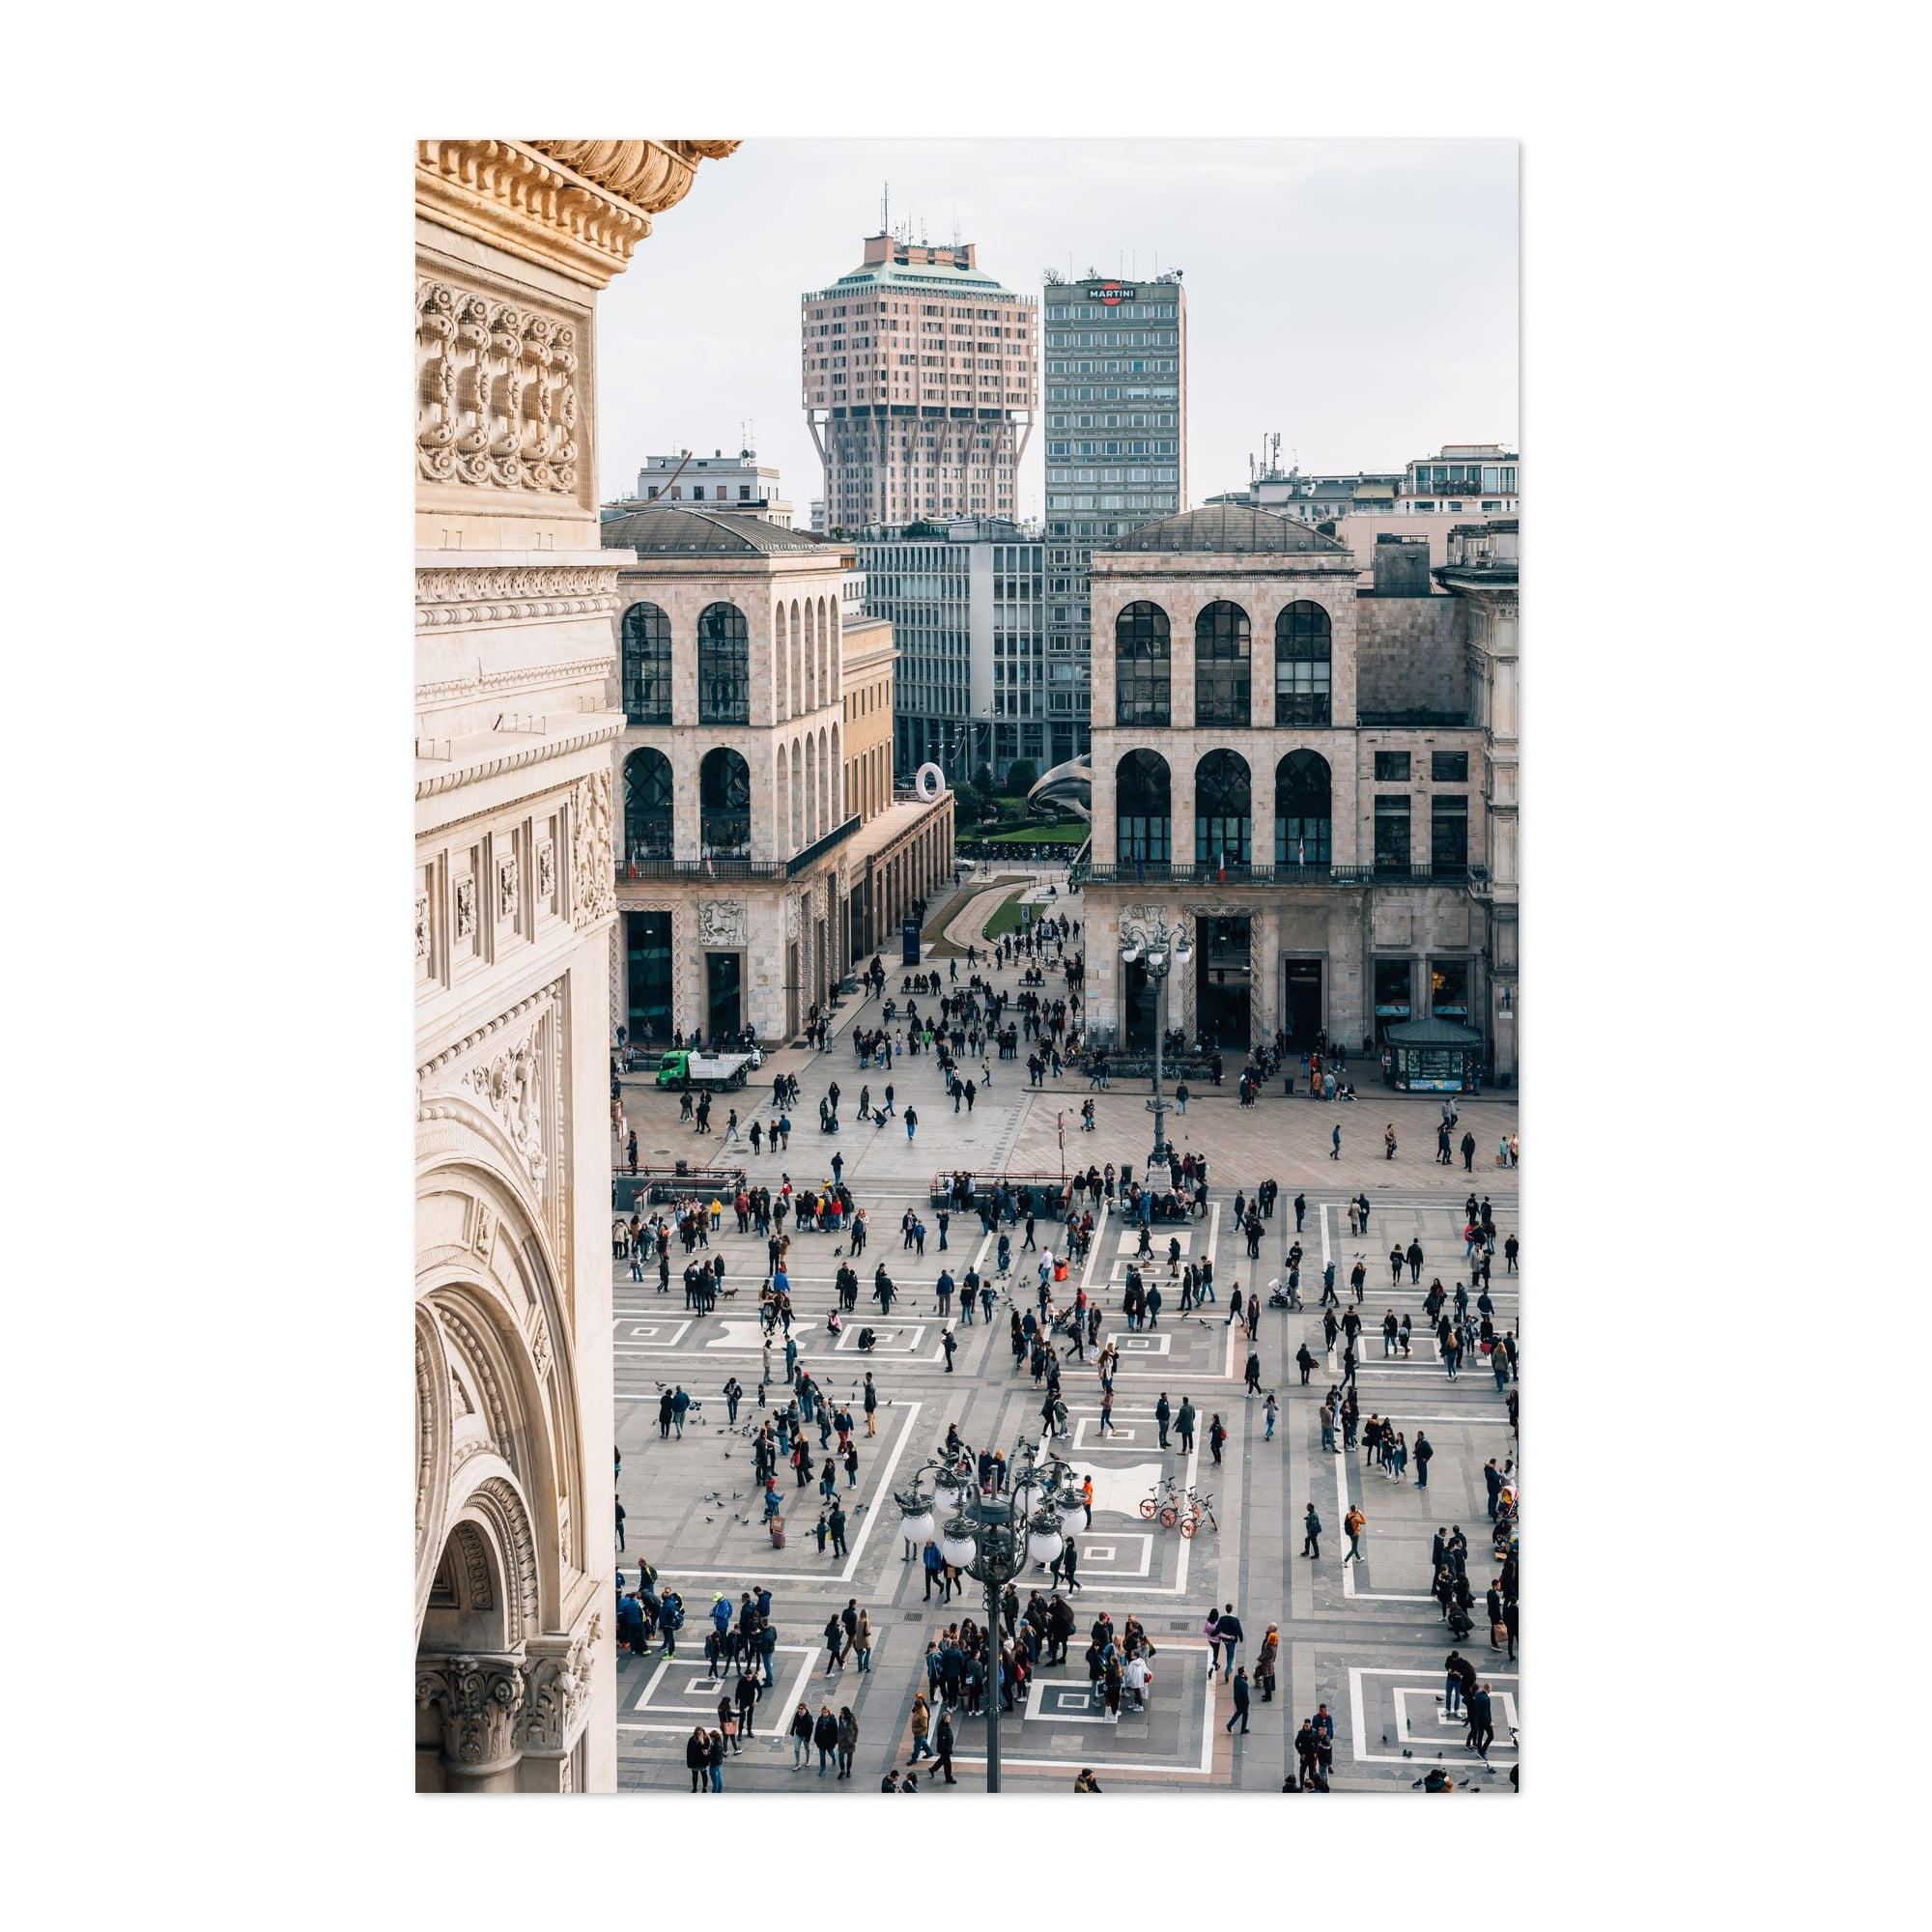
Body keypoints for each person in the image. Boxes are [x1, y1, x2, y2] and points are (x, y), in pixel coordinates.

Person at [1224, 1666, 1252, 1735]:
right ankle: (1243, 1729)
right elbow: (1245, 1694)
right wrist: (1247, 1702)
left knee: (1239, 1712)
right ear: (1243, 1673)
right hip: (1243, 1702)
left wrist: (1245, 1677)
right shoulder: (1244, 1684)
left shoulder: (1236, 1678)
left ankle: (1230, 1724)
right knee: (1245, 1714)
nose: (1246, 1672)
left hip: (1237, 1699)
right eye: (1245, 1671)